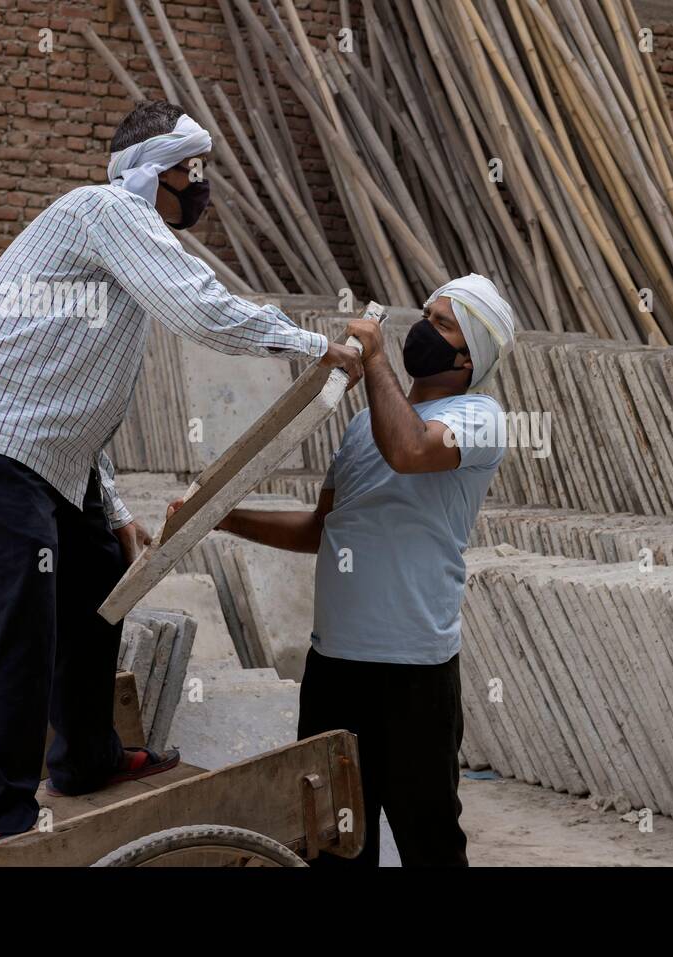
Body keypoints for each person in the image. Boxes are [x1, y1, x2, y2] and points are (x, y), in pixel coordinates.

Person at [0, 101, 363, 851]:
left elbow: (84, 400)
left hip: (52, 457)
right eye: (192, 172)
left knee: (99, 586)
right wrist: (313, 344)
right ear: (154, 171)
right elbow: (198, 305)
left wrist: (113, 508)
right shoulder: (106, 209)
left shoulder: (118, 248)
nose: (200, 188)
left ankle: (86, 758)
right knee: (12, 633)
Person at [175, 274, 515, 866]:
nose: (421, 331)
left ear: (471, 356)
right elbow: (319, 529)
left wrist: (376, 359)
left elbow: (411, 452)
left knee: (428, 836)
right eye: (426, 315)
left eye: (442, 324)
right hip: (333, 667)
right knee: (333, 839)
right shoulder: (363, 428)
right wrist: (220, 517)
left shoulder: (480, 417)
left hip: (414, 672)